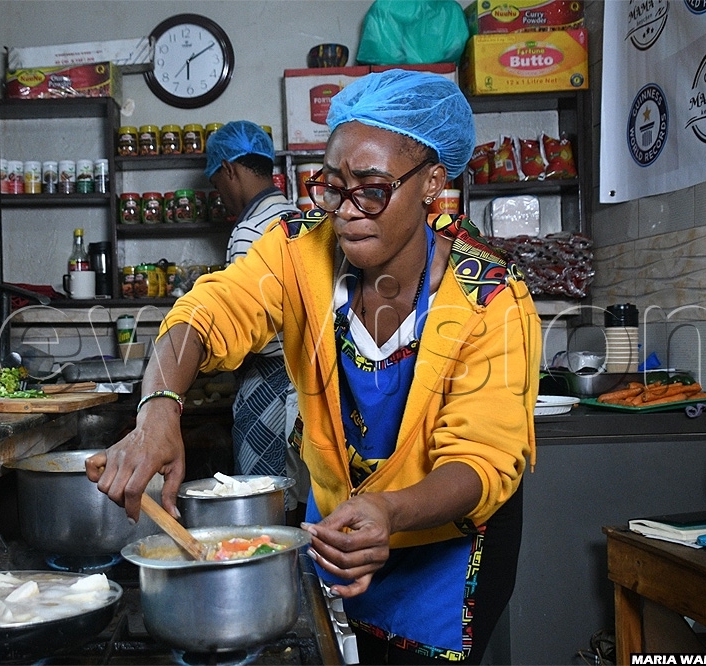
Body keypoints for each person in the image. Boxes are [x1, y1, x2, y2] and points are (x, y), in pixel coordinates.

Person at [88, 70, 541, 664]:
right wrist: (158, 410)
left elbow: (482, 458)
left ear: (433, 183)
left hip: (445, 546)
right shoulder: (298, 252)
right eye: (333, 186)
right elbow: (206, 312)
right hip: (344, 535)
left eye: (372, 188)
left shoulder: (491, 300)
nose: (347, 210)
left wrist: (391, 510)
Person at [203, 120, 306, 517]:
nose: (222, 198)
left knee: (259, 506)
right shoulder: (296, 220)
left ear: (229, 170)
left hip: (267, 384)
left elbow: (244, 327)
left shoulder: (248, 231)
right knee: (293, 502)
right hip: (302, 384)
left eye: (217, 186)